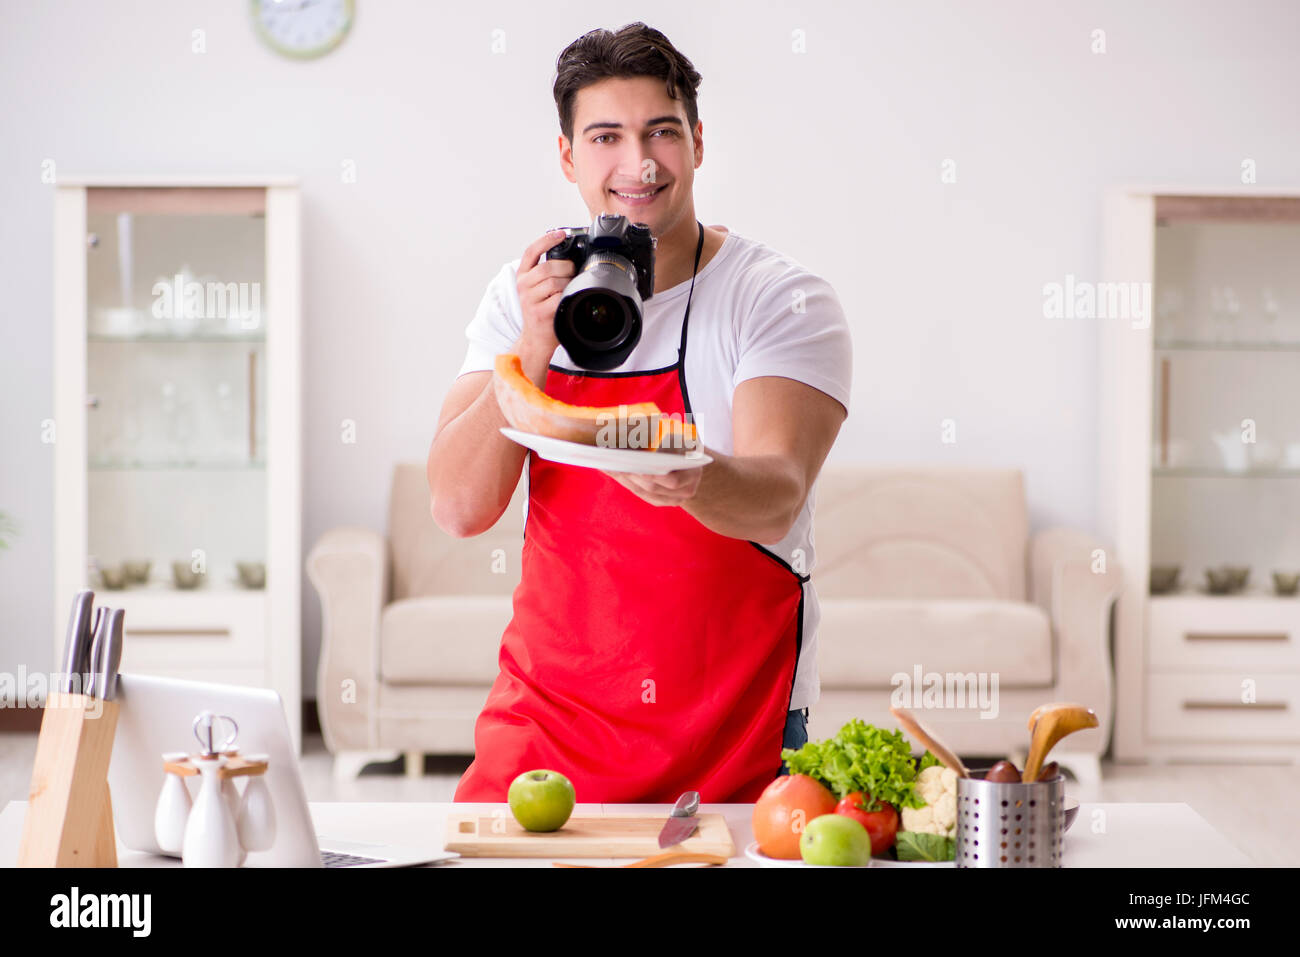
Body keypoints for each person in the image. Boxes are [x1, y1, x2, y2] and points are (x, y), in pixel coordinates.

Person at [430, 22, 852, 803]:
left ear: (697, 142)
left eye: (662, 132)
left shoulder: (778, 299)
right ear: (567, 157)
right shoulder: (521, 293)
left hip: (733, 750)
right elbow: (457, 506)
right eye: (606, 137)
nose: (639, 163)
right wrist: (530, 348)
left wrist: (690, 473)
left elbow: (775, 496)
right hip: (540, 744)